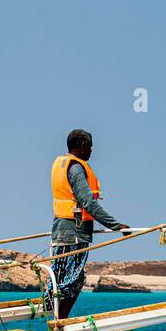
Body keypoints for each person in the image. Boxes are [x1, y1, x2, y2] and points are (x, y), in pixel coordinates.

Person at [48, 128, 130, 318]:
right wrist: (115, 225)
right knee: (74, 279)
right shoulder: (76, 168)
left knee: (61, 277)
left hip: (61, 229)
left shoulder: (62, 165)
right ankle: (60, 323)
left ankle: (56, 321)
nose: (92, 152)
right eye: (90, 147)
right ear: (80, 145)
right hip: (74, 231)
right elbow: (87, 202)